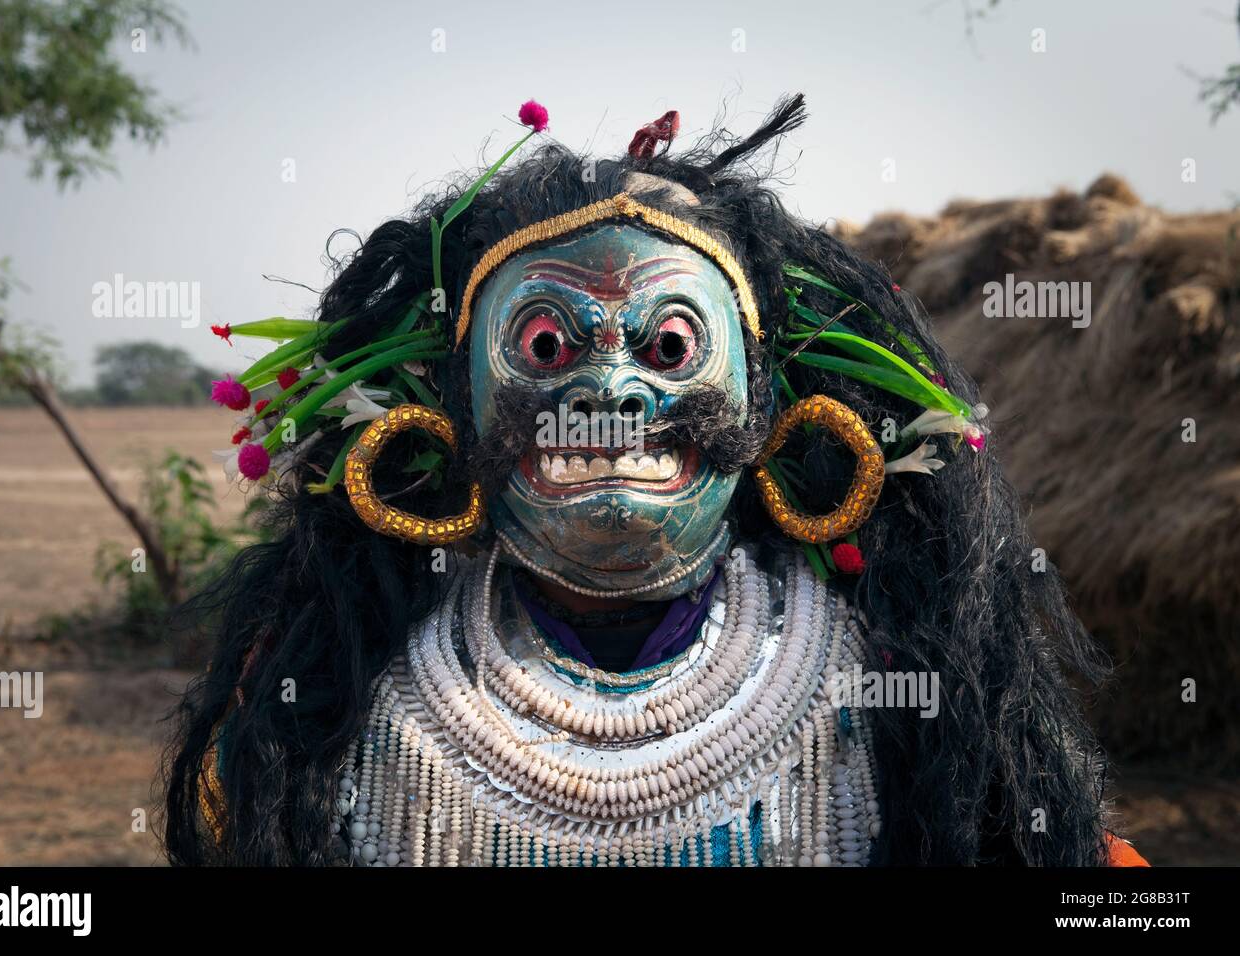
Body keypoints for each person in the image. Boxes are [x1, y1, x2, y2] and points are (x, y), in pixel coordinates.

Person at [166, 94, 1146, 867]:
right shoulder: (332, 703)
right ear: (454, 410)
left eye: (669, 342)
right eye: (544, 342)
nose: (607, 383)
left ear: (763, 406)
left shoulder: (906, 698)